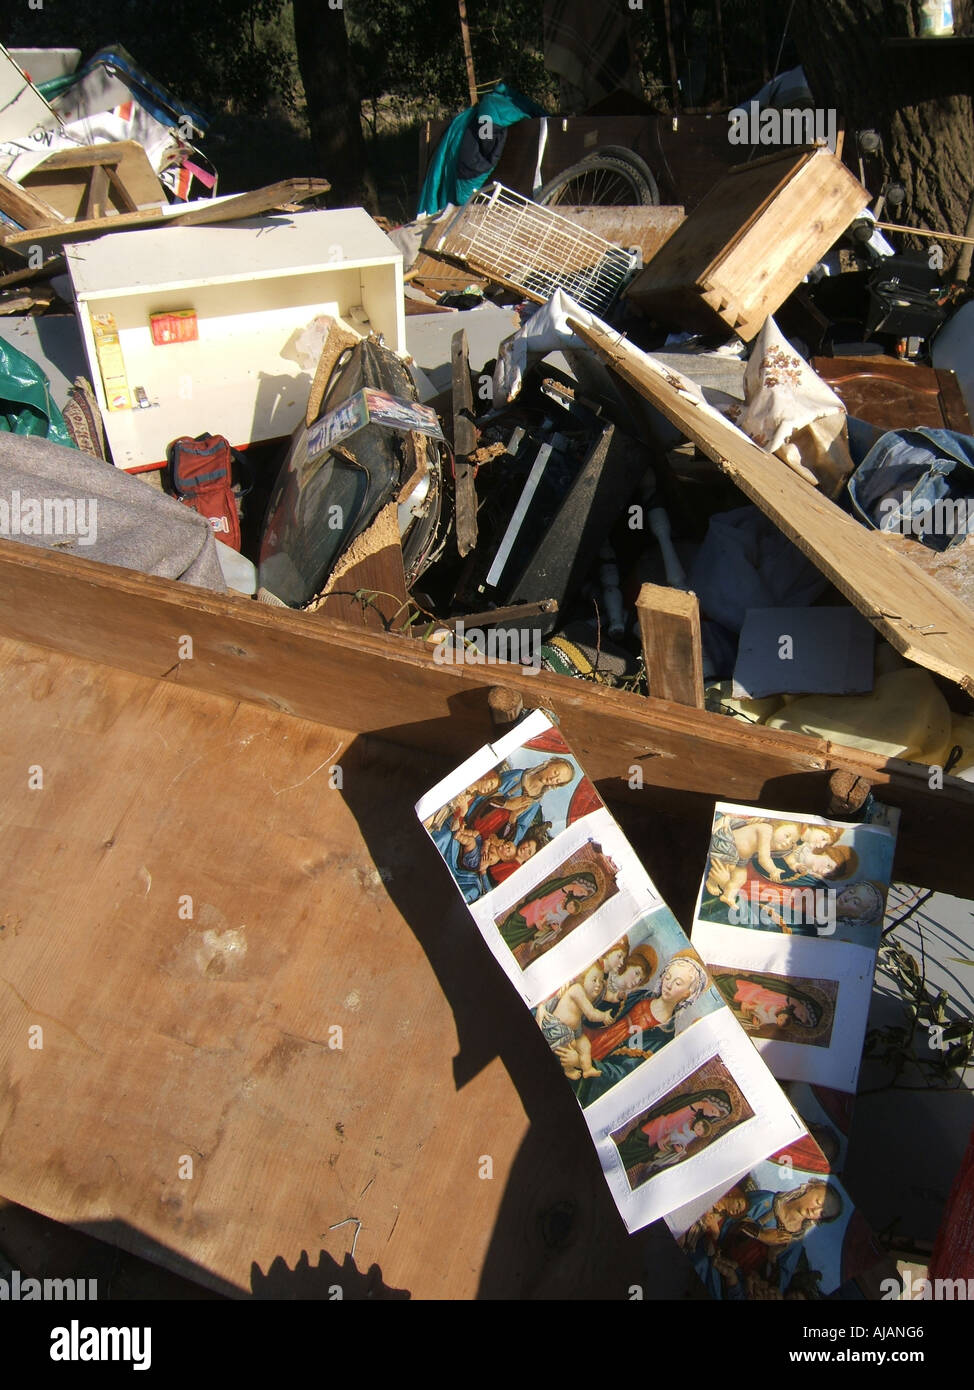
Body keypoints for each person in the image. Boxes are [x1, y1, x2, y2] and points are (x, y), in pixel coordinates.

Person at [615, 1090, 732, 1183]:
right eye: (712, 1111)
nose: (711, 1115)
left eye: (714, 1115)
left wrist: (677, 1147)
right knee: (625, 1152)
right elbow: (670, 1122)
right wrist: (664, 1137)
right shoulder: (690, 1106)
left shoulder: (696, 1118)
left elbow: (681, 1135)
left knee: (629, 1161)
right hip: (652, 1132)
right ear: (708, 1101)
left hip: (658, 1143)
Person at [535, 964, 615, 1080]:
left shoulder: (588, 996)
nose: (598, 984)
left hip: (572, 1031)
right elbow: (591, 1014)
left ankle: (587, 1069)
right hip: (557, 1027)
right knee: (570, 1045)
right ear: (583, 979)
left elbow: (609, 997)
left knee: (585, 1044)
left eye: (601, 981)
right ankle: (569, 1070)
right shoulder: (577, 989)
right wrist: (604, 1016)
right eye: (594, 980)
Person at [706, 815, 802, 907]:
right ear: (776, 827)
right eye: (787, 836)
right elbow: (763, 858)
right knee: (729, 866)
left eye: (792, 842)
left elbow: (787, 854)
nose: (788, 842)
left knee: (740, 878)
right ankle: (711, 882)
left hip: (741, 858)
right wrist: (773, 870)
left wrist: (794, 864)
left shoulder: (776, 843)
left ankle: (728, 896)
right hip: (728, 843)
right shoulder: (766, 830)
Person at [496, 871, 598, 953]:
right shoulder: (559, 888)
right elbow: (538, 902)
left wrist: (554, 926)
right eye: (581, 891)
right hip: (528, 916)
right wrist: (538, 918)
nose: (580, 895)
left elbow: (555, 916)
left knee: (509, 945)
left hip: (535, 925)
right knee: (505, 932)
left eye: (582, 895)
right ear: (578, 883)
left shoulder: (567, 900)